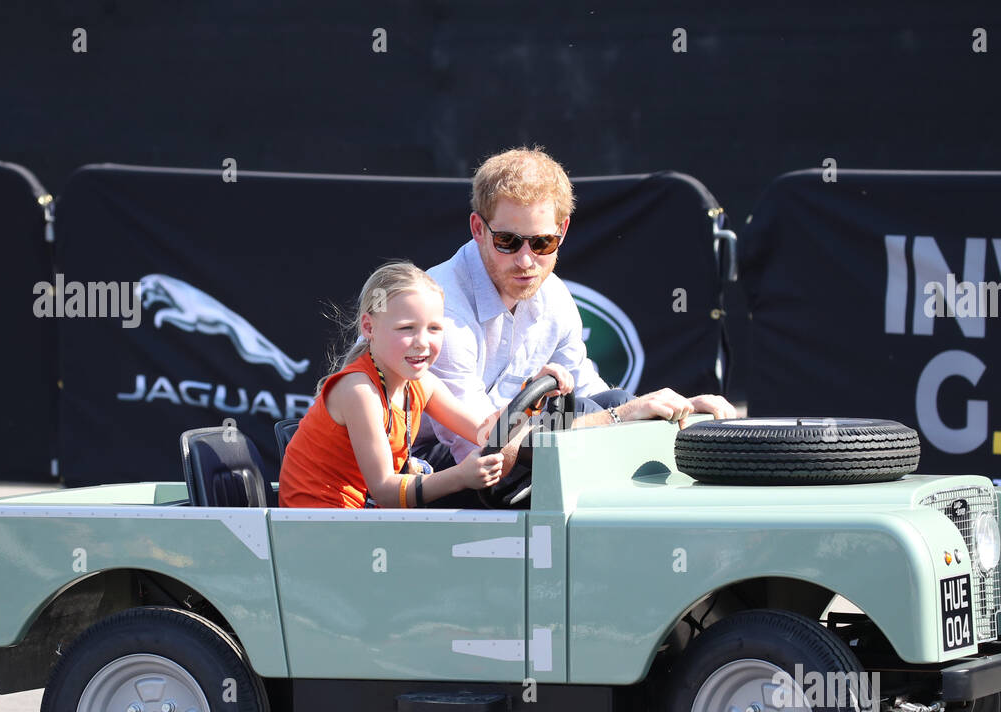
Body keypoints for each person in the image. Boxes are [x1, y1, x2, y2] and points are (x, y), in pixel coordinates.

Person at [416, 146, 736, 474]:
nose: (526, 261)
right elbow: (485, 447)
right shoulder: (442, 311)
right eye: (508, 242)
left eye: (542, 243)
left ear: (562, 231)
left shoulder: (552, 293)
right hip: (417, 464)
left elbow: (592, 392)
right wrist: (619, 418)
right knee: (598, 413)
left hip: (490, 448)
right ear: (478, 229)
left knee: (613, 400)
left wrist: (677, 411)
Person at [278, 261, 570, 509]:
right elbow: (385, 490)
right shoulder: (359, 391)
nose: (422, 342)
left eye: (434, 329)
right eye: (406, 328)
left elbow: (486, 432)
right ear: (369, 328)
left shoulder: (422, 384)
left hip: (359, 525)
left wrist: (531, 397)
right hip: (317, 531)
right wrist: (461, 476)